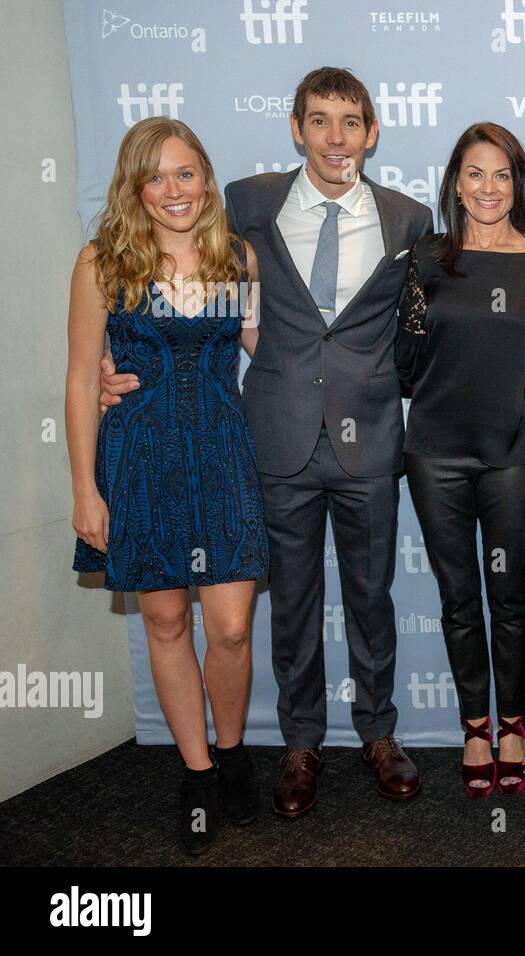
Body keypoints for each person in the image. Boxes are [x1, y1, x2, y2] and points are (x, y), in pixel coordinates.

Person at [101, 68, 433, 816]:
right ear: (296, 128)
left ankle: (380, 734)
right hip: (273, 438)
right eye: (320, 120)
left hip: (369, 439)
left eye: (352, 122)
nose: (336, 137)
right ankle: (299, 744)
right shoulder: (248, 203)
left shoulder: (409, 220)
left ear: (372, 132)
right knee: (289, 608)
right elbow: (182, 288)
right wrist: (112, 363)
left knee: (372, 599)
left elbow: (426, 329)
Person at [67, 117, 268, 855]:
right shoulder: (102, 264)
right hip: (141, 460)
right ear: (134, 187)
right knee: (164, 624)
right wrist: (86, 491)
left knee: (232, 628)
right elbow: (80, 382)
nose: (173, 190)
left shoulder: (236, 259)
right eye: (156, 176)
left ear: (206, 179)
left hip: (222, 454)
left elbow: (266, 352)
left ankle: (236, 747)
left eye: (186, 173)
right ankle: (198, 771)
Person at [395, 122, 525, 799]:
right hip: (434, 450)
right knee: (459, 596)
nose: (488, 188)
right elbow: (403, 359)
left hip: (512, 453)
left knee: (510, 592)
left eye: (501, 174)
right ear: (456, 184)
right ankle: (473, 726)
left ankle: (515, 724)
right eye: (474, 174)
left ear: (518, 183)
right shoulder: (427, 258)